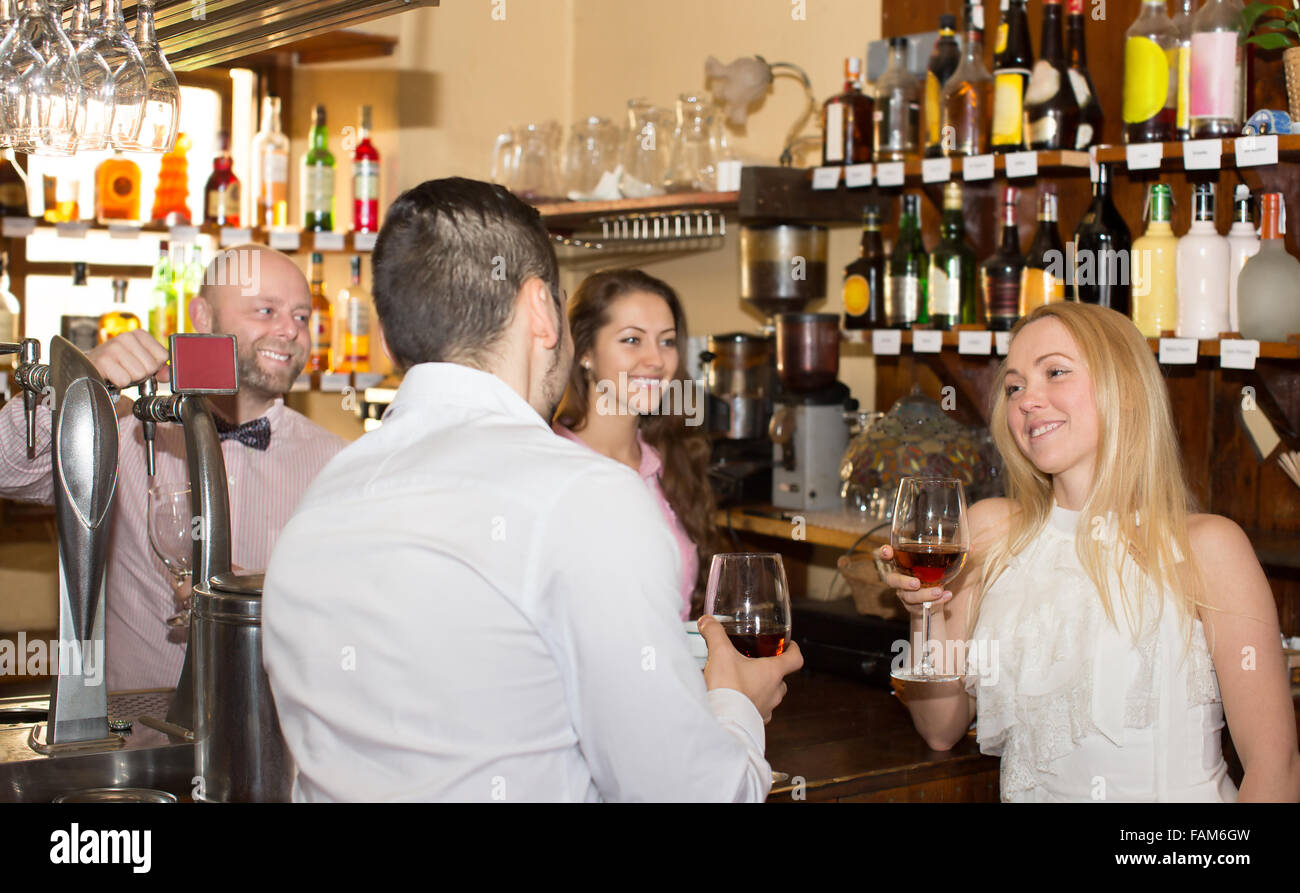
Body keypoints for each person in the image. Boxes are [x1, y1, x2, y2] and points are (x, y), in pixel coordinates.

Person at [262, 177, 803, 802]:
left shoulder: (323, 493)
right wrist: (737, 705)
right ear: (542, 311)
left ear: (387, 337)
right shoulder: (583, 496)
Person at [879, 301, 1300, 803]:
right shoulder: (989, 532)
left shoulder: (1207, 546)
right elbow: (940, 727)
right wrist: (923, 610)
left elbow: (1276, 767)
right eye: (1014, 387)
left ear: (1124, 390)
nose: (1027, 400)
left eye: (1054, 372)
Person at [0, 244, 345, 691]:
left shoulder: (338, 462)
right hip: (132, 734)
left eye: (302, 317)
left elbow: (357, 614)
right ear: (201, 316)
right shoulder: (125, 426)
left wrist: (264, 603)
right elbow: (8, 473)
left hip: (272, 727)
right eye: (266, 310)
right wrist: (80, 386)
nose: (289, 330)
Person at [553, 269, 720, 619]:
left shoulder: (671, 458)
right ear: (584, 351)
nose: (656, 360)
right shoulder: (551, 467)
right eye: (632, 340)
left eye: (667, 341)